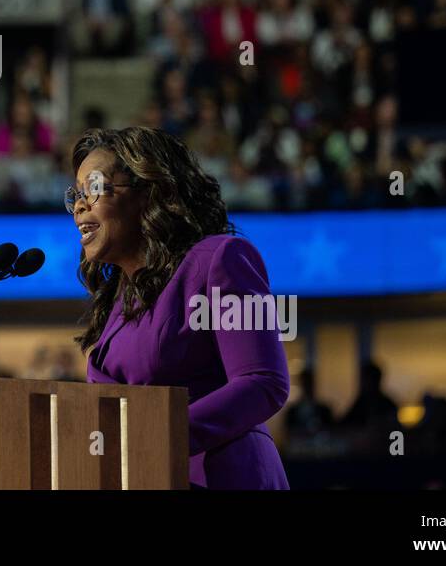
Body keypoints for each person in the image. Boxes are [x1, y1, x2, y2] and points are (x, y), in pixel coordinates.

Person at [70, 126, 290, 489]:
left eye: (94, 188)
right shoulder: (118, 300)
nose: (80, 205)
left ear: (148, 191)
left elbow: (263, 382)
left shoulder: (220, 258)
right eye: (76, 195)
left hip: (222, 476)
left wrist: (157, 439)